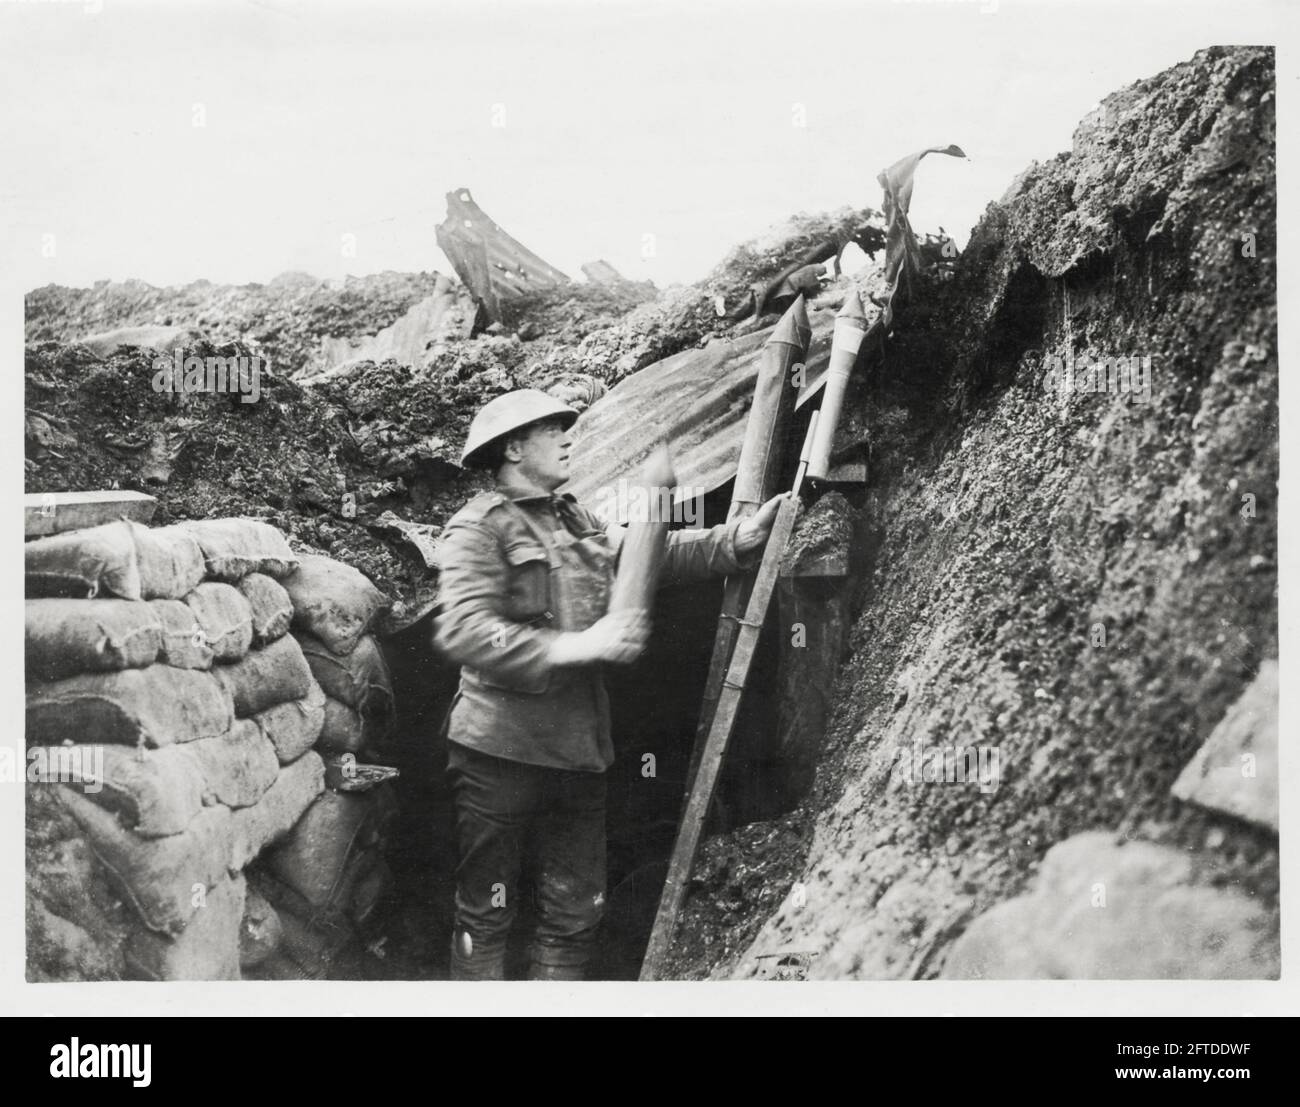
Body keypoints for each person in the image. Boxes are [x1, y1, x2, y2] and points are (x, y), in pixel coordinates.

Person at [433, 388, 784, 980]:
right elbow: (464, 631)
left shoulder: (577, 517)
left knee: (575, 914)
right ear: (514, 448)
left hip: (577, 754)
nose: (569, 438)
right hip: (500, 756)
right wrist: (576, 645)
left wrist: (733, 543)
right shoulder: (478, 530)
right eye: (554, 430)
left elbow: (652, 556)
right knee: (486, 914)